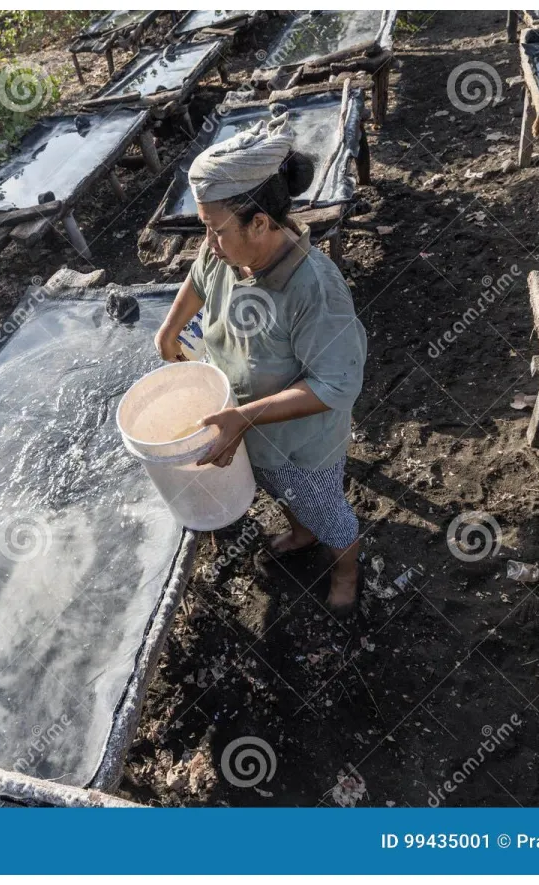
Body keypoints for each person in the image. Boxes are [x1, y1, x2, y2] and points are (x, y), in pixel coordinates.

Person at [153, 111, 367, 615]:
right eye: (204, 229)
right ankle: (301, 534)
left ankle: (346, 569)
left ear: (262, 222)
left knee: (327, 510)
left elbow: (335, 385)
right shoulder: (225, 250)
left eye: (214, 230)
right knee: (278, 491)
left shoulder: (314, 288)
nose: (207, 243)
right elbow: (199, 278)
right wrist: (168, 330)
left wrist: (244, 416)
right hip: (246, 428)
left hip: (302, 443)